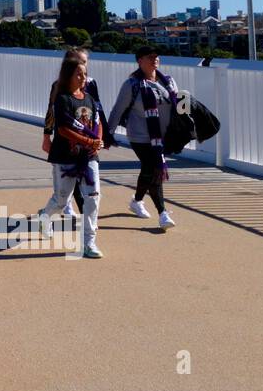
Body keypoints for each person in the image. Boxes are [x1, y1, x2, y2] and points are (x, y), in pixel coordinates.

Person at [36, 54, 103, 258]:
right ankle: (45, 217)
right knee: (61, 200)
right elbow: (63, 128)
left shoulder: (89, 98)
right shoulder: (63, 99)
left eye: (85, 74)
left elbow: (97, 122)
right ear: (69, 75)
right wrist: (89, 141)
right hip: (65, 155)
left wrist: (97, 141)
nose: (83, 78)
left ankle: (88, 242)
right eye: (79, 74)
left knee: (92, 196)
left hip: (88, 157)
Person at [107, 46, 179, 230]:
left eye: (156, 56)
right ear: (139, 61)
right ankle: (162, 214)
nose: (154, 59)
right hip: (139, 135)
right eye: (149, 57)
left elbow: (178, 107)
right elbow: (117, 110)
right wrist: (108, 135)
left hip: (160, 138)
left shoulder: (168, 82)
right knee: (153, 168)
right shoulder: (131, 84)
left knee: (149, 171)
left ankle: (137, 200)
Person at [42, 47, 112, 217]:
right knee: (64, 185)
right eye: (79, 62)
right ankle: (64, 206)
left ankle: (85, 220)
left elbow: (97, 109)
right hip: (67, 140)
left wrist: (102, 135)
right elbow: (52, 111)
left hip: (88, 138)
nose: (83, 65)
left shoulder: (91, 83)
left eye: (85, 62)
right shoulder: (59, 86)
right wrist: (46, 136)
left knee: (88, 184)